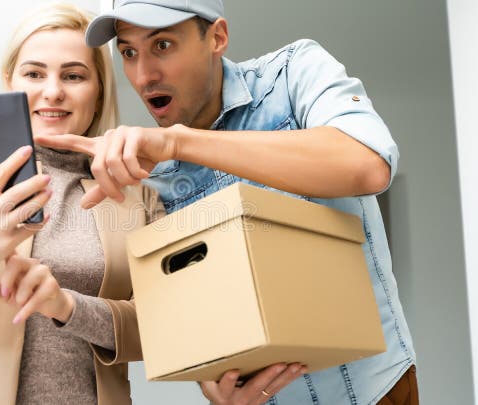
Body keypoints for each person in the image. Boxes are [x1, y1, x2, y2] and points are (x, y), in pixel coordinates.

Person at [35, 1, 419, 404]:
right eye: (129, 52)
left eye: (162, 45)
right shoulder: (151, 180)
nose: (144, 75)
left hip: (378, 391)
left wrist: (179, 141)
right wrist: (212, 380)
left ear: (217, 37)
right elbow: (194, 323)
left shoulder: (292, 74)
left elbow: (366, 165)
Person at [0, 4, 167, 404]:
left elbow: (159, 328)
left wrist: (66, 305)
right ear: (10, 83)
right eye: (34, 73)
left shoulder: (137, 194)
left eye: (74, 75)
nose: (53, 90)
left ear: (98, 93)